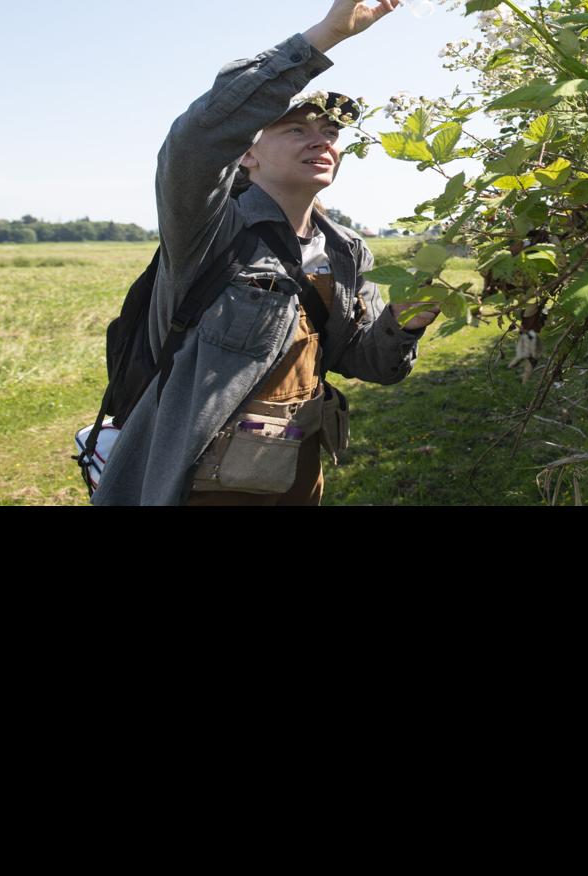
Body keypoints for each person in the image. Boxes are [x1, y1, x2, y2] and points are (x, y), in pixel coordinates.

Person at [91, 0, 439, 506]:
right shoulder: (210, 229)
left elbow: (366, 363)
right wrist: (326, 34)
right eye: (296, 129)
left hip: (294, 472)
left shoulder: (346, 250)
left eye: (330, 132)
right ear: (248, 154)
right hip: (199, 477)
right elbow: (198, 139)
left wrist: (404, 325)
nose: (321, 141)